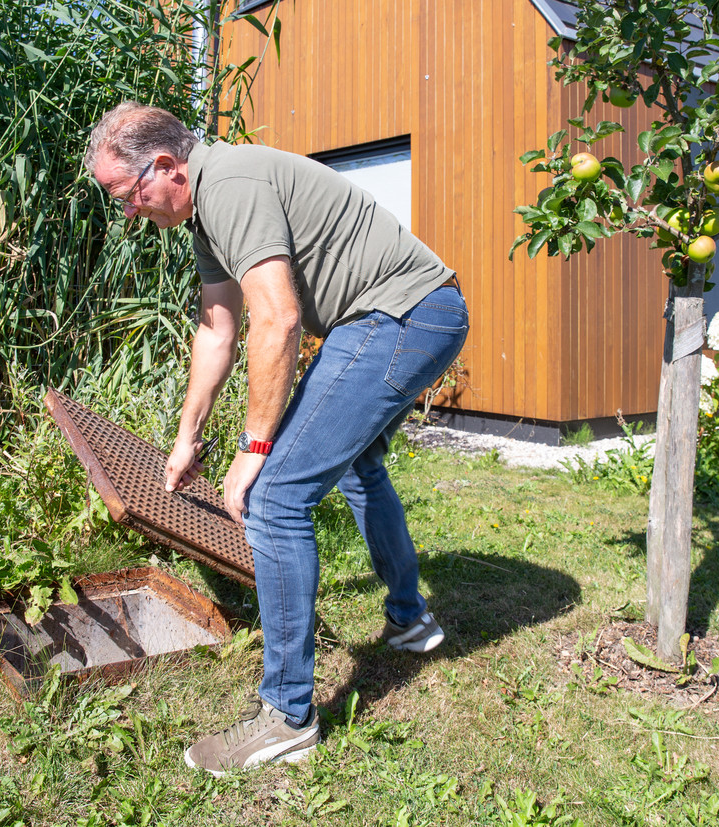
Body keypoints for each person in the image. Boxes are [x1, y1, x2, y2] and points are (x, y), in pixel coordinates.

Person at [84, 102, 469, 776]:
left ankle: (287, 716)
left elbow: (280, 320)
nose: (129, 214)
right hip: (410, 310)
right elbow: (217, 331)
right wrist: (186, 438)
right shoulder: (208, 209)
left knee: (276, 496)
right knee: (356, 468)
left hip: (402, 314)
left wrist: (253, 449)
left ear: (167, 167)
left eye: (128, 195)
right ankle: (410, 619)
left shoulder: (230, 188)